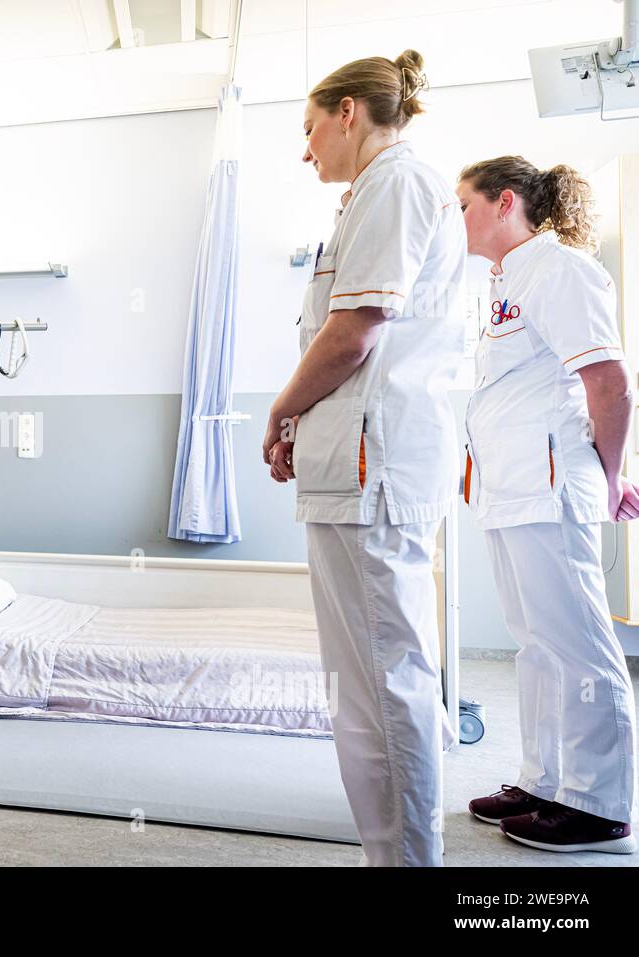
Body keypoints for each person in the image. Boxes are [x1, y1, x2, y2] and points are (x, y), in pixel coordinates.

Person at [262, 50, 467, 865]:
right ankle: (391, 851)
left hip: (372, 471)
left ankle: (407, 859)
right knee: (370, 683)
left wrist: (282, 409)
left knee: (383, 684)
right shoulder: (374, 195)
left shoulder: (395, 184)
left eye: (310, 128)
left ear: (349, 112)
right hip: (359, 468)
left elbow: (355, 332)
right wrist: (299, 424)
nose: (304, 149)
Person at [457, 156, 637, 854]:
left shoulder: (559, 268)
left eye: (465, 203)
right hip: (510, 487)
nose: (458, 218)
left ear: (506, 203)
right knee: (535, 644)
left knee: (578, 645)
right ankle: (546, 780)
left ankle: (598, 805)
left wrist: (612, 472)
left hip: (551, 485)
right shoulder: (509, 280)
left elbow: (609, 382)